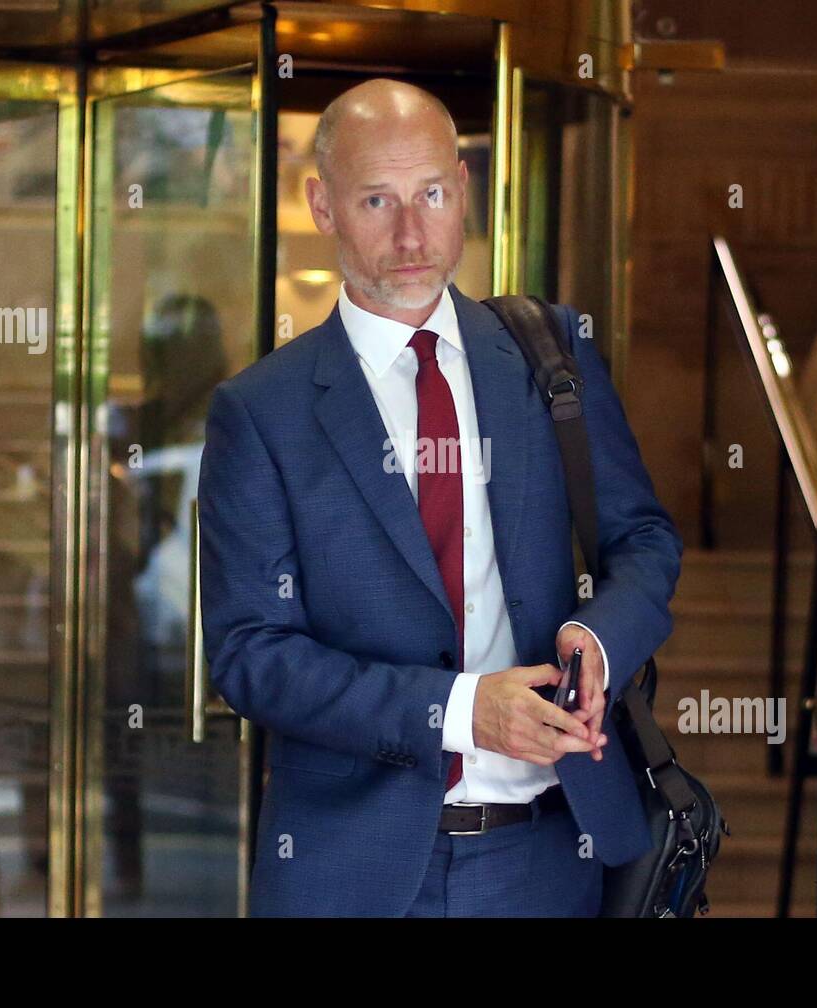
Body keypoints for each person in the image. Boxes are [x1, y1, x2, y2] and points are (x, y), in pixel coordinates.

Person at [198, 78, 682, 917]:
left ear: (462, 188)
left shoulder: (549, 357)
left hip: (550, 855)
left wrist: (596, 642)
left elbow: (643, 540)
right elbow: (250, 655)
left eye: (430, 194)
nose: (412, 233)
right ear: (322, 205)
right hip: (355, 873)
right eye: (377, 200)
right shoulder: (260, 412)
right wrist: (459, 711)